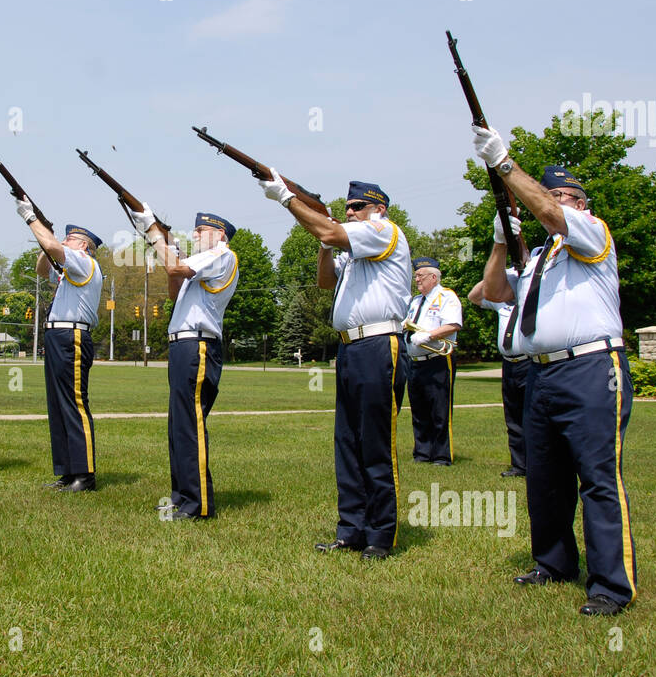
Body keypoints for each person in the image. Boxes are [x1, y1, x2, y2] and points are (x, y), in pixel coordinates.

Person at [473, 124, 636, 617]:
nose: (557, 201)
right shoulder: (540, 255)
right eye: (554, 193)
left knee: (598, 477)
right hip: (540, 374)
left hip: (591, 367)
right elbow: (495, 293)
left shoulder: (591, 232)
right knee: (543, 477)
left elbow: (547, 210)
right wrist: (502, 242)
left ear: (581, 204)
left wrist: (504, 164)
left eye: (566, 195)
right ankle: (554, 562)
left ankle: (610, 584)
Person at [259, 175, 411, 559]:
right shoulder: (354, 249)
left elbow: (331, 230)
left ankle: (381, 534)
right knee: (347, 442)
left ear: (378, 209)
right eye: (345, 209)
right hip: (350, 348)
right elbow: (326, 281)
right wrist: (323, 244)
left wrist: (287, 200)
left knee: (375, 443)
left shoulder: (384, 231)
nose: (349, 213)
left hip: (379, 344)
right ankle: (352, 528)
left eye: (356, 207)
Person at [133, 209, 239, 520]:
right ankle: (181, 496)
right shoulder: (200, 265)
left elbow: (175, 267)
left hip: (198, 345)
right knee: (179, 426)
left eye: (201, 230)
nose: (194, 235)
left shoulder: (221, 255)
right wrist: (168, 244)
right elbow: (173, 287)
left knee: (190, 425)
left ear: (220, 235)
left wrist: (155, 233)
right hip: (183, 344)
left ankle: (198, 504)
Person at [16, 195, 104, 492]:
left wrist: (32, 219)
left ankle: (85, 473)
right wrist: (47, 239)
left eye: (71, 238)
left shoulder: (84, 262)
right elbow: (44, 266)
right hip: (57, 336)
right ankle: (67, 471)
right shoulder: (70, 267)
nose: (65, 241)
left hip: (72, 336)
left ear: (84, 246)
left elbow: (53, 247)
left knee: (74, 403)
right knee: (58, 404)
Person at [469, 269, 530, 478]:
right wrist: (495, 273)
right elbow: (474, 297)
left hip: (528, 363)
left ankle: (537, 464)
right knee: (512, 418)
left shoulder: (531, 301)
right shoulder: (500, 303)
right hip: (510, 365)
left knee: (531, 416)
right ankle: (519, 465)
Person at [405, 258, 463, 466]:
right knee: (419, 409)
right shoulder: (415, 301)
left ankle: (441, 455)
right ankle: (422, 452)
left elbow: (453, 324)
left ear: (433, 277)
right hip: (415, 362)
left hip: (437, 360)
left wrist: (429, 336)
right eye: (416, 276)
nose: (417, 279)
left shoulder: (446, 296)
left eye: (420, 276)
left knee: (439, 409)